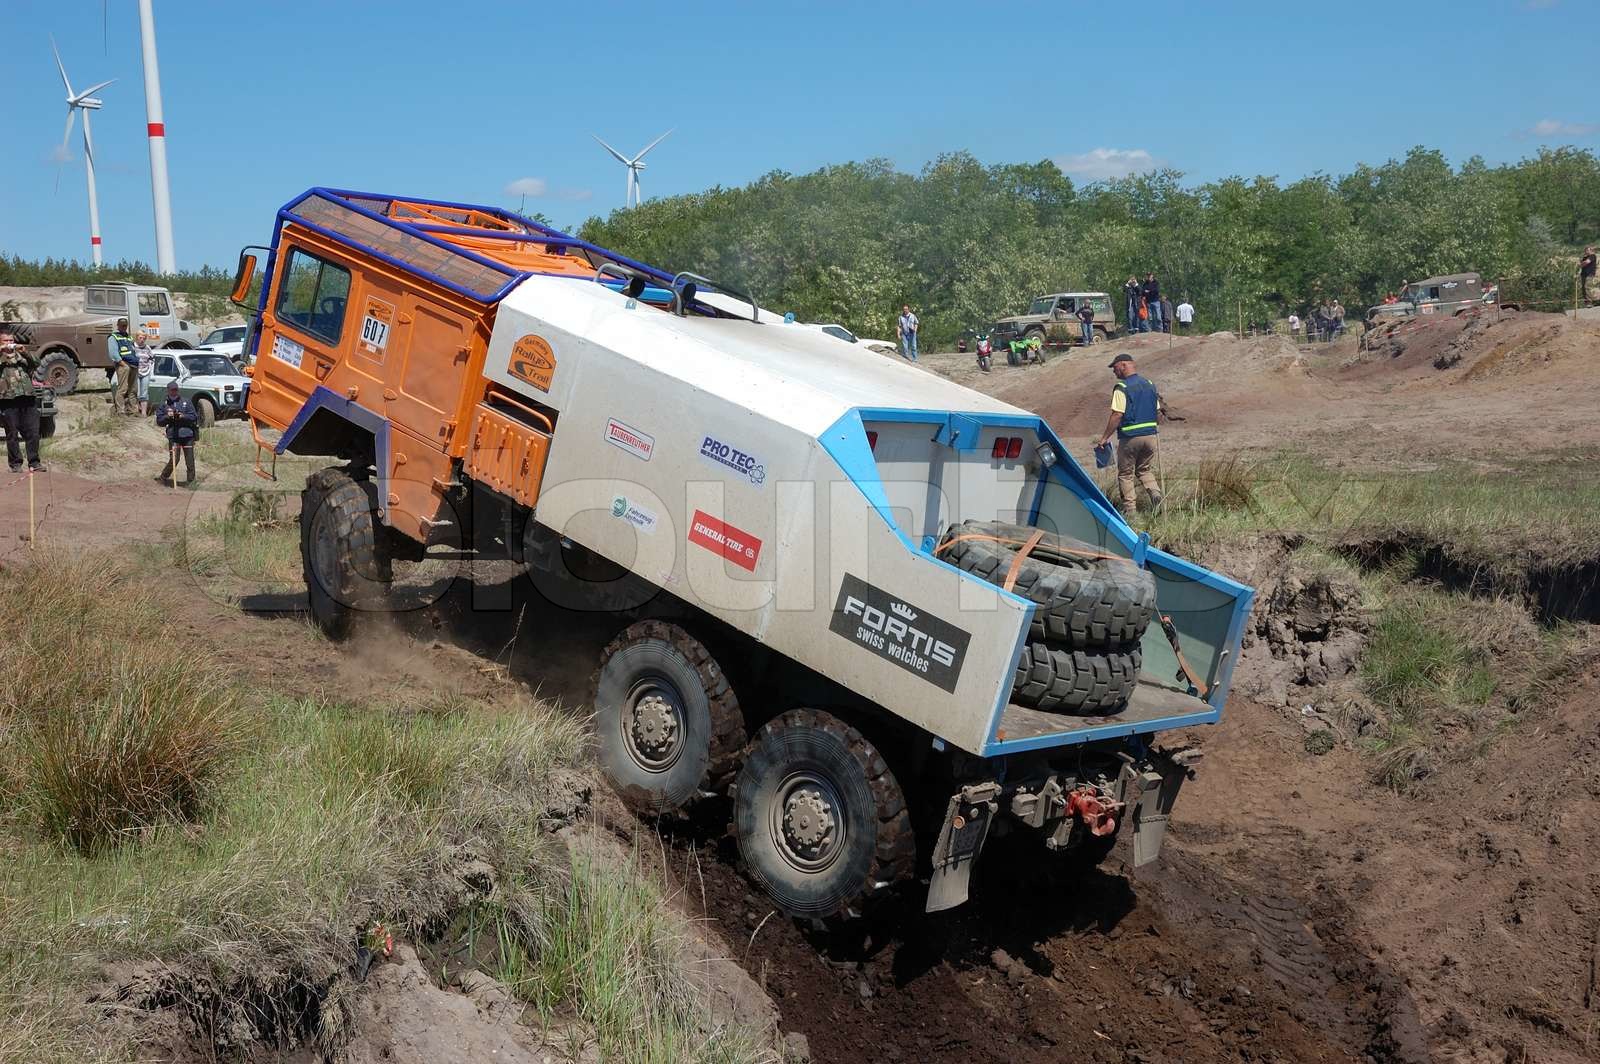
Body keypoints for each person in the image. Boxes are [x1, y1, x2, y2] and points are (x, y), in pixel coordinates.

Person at [1097, 353, 1167, 520]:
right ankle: (1156, 494)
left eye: (1115, 368)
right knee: (1144, 470)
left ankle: (1130, 512)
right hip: (1150, 436)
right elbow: (1158, 413)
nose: (1114, 372)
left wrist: (1104, 438)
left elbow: (1117, 415)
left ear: (1123, 365)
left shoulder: (1122, 387)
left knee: (1126, 474)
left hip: (1130, 437)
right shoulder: (1149, 384)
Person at [0, 331, 45, 474]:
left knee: (33, 432)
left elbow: (37, 363)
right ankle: (15, 464)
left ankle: (34, 462)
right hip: (8, 400)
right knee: (12, 434)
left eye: (11, 340)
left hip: (27, 398)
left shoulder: (21, 356)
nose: (9, 343)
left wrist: (24, 351)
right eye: (5, 340)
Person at [155, 381, 199, 485]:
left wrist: (182, 416)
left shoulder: (186, 402)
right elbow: (159, 421)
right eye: (172, 390)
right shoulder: (164, 404)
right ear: (168, 390)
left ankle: (191, 481)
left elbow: (194, 417)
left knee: (190, 460)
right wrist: (167, 417)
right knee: (174, 459)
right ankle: (163, 477)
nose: (174, 392)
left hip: (187, 435)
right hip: (173, 436)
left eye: (176, 390)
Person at [107, 318, 136, 413]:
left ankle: (132, 410)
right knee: (122, 389)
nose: (124, 327)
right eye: (122, 325)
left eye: (125, 325)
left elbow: (133, 349)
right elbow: (113, 353)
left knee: (133, 389)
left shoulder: (129, 337)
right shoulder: (113, 337)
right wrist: (123, 365)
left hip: (133, 364)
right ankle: (120, 411)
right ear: (118, 326)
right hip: (123, 365)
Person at [133, 331, 156, 416]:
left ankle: (144, 412)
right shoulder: (133, 347)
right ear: (137, 337)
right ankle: (136, 409)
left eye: (144, 338)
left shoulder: (147, 348)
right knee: (136, 392)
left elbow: (152, 358)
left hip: (146, 372)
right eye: (140, 338)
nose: (142, 340)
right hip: (135, 372)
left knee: (144, 393)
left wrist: (150, 366)